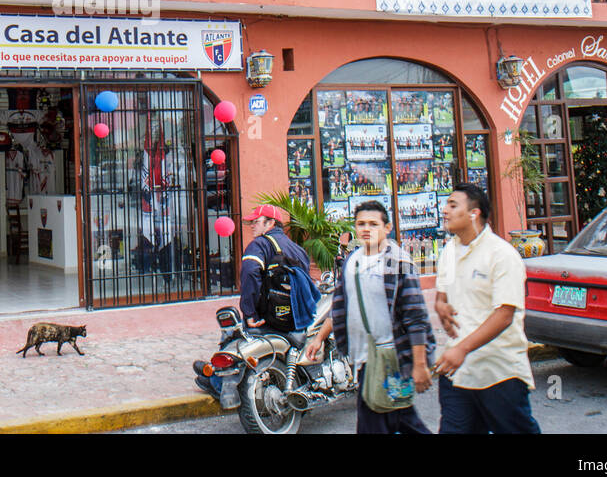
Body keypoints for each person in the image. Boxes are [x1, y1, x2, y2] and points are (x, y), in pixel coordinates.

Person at [310, 200, 434, 433]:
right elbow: (340, 306)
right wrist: (319, 338)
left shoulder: (398, 262)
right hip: (366, 360)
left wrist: (419, 364)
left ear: (387, 228)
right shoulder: (352, 262)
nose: (366, 229)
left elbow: (415, 316)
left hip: (392, 359)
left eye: (373, 224)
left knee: (381, 420)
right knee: (400, 418)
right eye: (361, 224)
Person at [433, 184, 541, 433]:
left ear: (474, 213)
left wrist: (461, 348)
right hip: (458, 373)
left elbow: (504, 315)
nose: (445, 210)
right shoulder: (449, 250)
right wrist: (440, 305)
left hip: (498, 372)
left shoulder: (502, 255)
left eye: (453, 205)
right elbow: (442, 294)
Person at [193, 204, 318, 398]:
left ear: (270, 223)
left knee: (236, 335)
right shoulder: (296, 249)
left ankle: (216, 381)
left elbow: (250, 273)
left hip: (271, 319)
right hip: (295, 320)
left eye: (256, 222)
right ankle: (212, 369)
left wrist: (250, 314)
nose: (252, 225)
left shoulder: (260, 244)